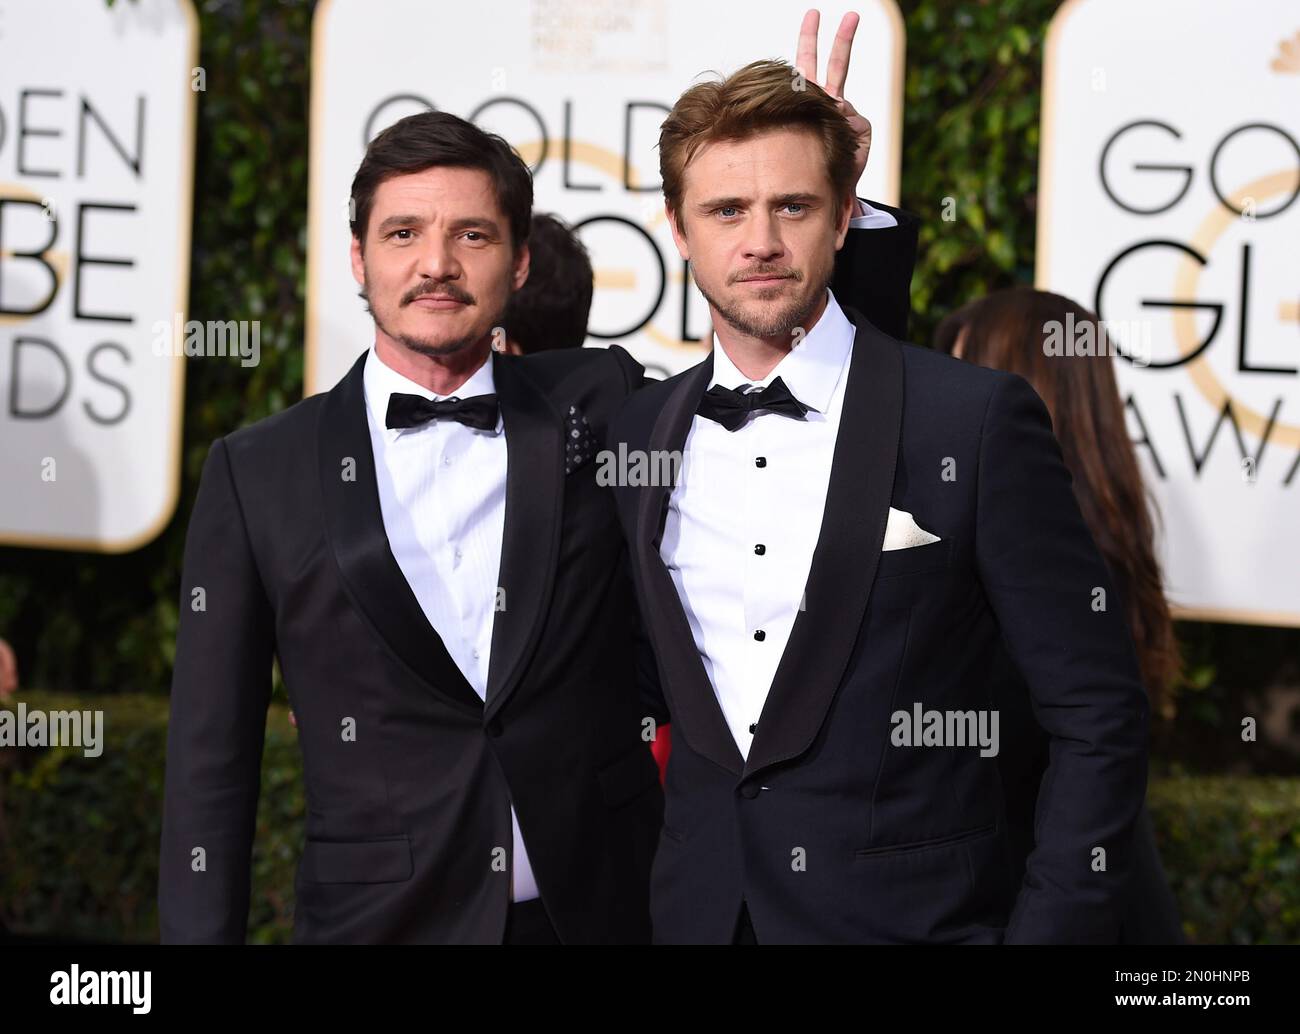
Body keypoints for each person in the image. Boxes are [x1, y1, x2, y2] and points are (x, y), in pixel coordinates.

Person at [160, 16, 917, 939]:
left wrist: (841, 202)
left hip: (606, 912)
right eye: (404, 234)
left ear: (518, 263)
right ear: (358, 260)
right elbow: (210, 766)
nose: (436, 264)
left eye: (471, 235)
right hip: (379, 924)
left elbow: (825, 391)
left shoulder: (602, 406)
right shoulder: (256, 470)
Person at [607, 55, 1149, 944]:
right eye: (726, 211)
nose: (761, 242)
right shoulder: (639, 434)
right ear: (678, 228)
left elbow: (1098, 715)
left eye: (794, 206)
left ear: (845, 215)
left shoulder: (967, 421)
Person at [934, 286, 1186, 944]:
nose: (941, 407)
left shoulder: (1046, 569)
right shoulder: (1105, 549)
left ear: (1023, 393)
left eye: (964, 379)